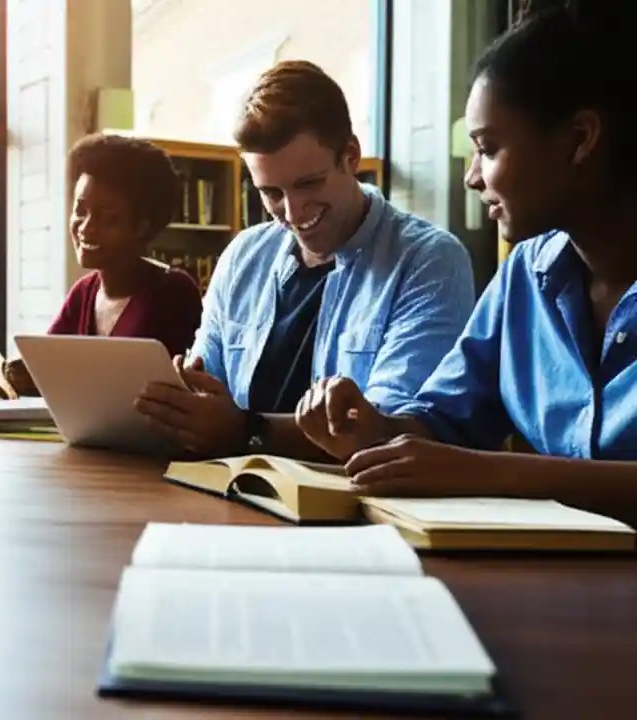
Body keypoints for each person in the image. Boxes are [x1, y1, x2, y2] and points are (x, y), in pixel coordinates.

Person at [296, 2, 637, 520]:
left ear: (580, 139)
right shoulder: (526, 275)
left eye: (489, 148)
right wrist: (376, 432)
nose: (471, 178)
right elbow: (444, 421)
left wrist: (490, 472)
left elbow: (468, 464)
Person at [134, 60, 474, 460]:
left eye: (308, 184)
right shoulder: (243, 256)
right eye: (271, 193)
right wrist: (185, 403)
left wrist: (247, 432)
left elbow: (384, 432)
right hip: (229, 491)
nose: (293, 213)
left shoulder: (429, 261)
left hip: (354, 511)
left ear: (350, 156)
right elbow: (207, 385)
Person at [2, 134, 203, 397]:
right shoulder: (83, 292)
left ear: (143, 225)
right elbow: (48, 369)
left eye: (107, 218)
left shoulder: (172, 291)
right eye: (80, 210)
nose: (85, 227)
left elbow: (180, 390)